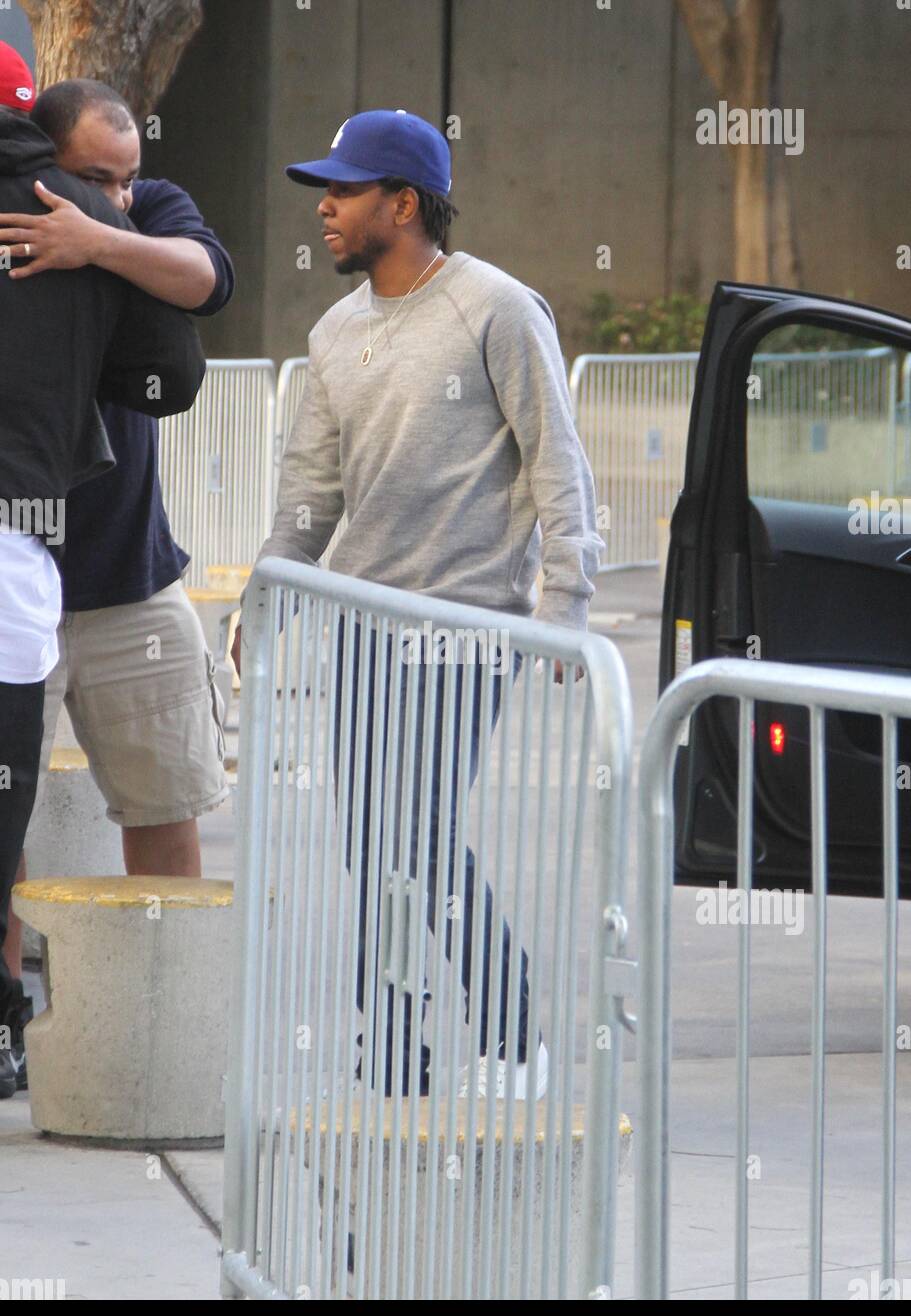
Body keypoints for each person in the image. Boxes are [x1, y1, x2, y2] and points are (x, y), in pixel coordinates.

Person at [234, 108, 604, 1099]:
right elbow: (310, 492)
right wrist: (264, 592)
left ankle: (512, 1034)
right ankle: (394, 1047)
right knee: (372, 846)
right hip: (361, 627)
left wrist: (563, 608)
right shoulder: (332, 330)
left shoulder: (495, 308)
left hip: (461, 627)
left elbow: (557, 466)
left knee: (419, 837)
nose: (324, 206)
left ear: (403, 204)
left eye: (344, 190)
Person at [0, 78, 235, 1093]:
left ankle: (165, 1011)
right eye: (93, 180)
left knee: (166, 795)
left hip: (128, 577)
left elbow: (203, 280)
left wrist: (99, 240)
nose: (119, 194)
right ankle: (12, 1022)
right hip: (21, 573)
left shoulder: (136, 213)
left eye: (126, 179)